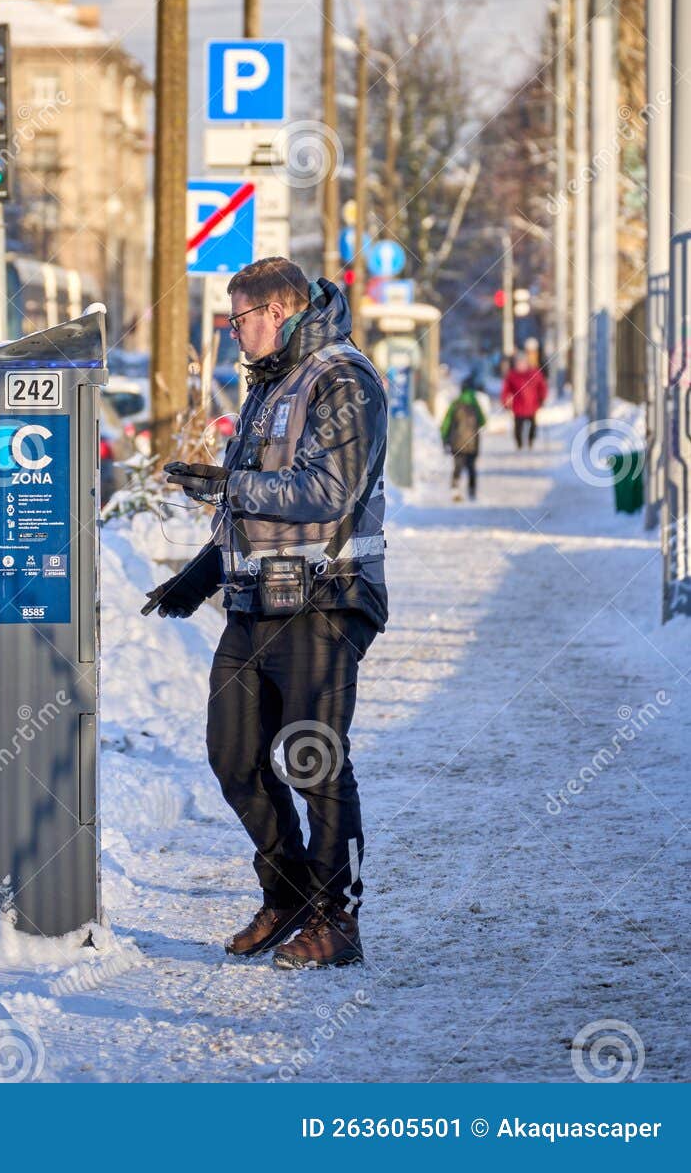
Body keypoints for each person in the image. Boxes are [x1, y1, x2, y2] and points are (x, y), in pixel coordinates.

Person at [142, 258, 388, 972]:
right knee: (234, 756)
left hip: (327, 597)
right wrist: (198, 575)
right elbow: (252, 510)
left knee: (312, 758)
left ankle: (334, 919)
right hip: (257, 599)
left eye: (237, 321)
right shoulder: (270, 383)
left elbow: (328, 490)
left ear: (276, 313)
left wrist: (229, 482)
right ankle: (286, 898)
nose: (231, 334)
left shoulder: (341, 378)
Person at [440, 374, 486, 500]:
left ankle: (455, 489)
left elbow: (446, 423)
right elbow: (483, 422)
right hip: (473, 443)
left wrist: (444, 438)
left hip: (457, 442)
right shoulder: (476, 405)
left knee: (457, 466)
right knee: (471, 467)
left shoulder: (455, 404)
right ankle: (472, 491)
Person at [501, 350, 547, 449]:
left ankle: (530, 440)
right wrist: (505, 402)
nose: (520, 365)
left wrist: (542, 398)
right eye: (518, 363)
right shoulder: (512, 375)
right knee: (518, 427)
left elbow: (542, 387)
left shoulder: (535, 373)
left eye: (522, 362)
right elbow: (506, 390)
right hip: (518, 407)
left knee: (533, 426)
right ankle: (519, 444)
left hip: (532, 405)